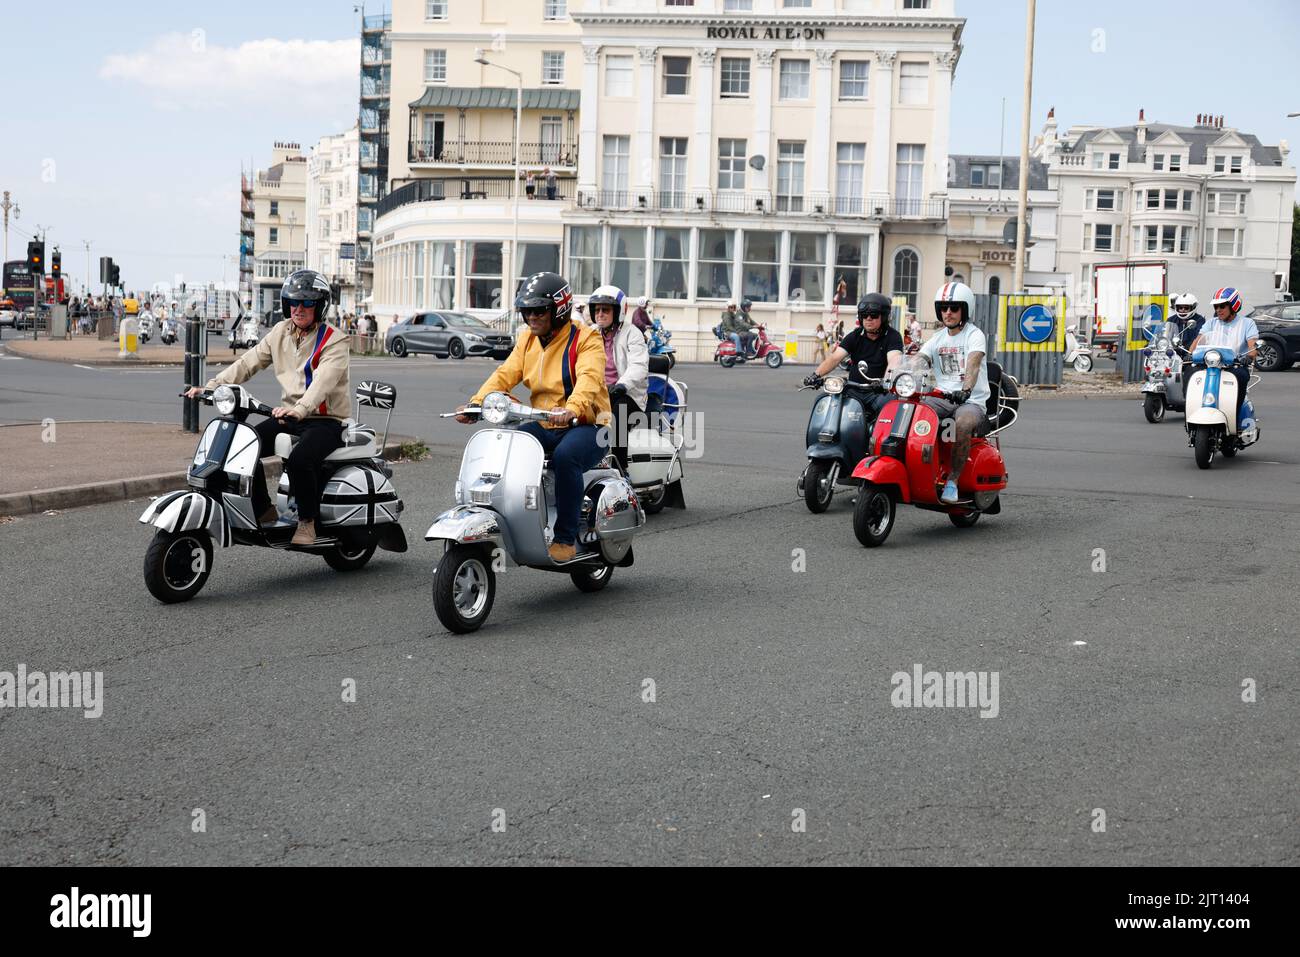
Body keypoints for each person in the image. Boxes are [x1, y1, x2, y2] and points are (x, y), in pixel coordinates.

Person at [185, 269, 349, 547]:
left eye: (307, 303)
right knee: (244, 447)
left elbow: (323, 382)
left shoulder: (334, 340)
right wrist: (211, 387)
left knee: (300, 460)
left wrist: (300, 408)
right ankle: (264, 510)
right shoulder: (280, 332)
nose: (299, 308)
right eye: (294, 302)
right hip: (290, 415)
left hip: (325, 420)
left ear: (319, 306)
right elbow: (248, 363)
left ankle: (307, 522)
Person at [456, 271, 610, 563]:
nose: (532, 317)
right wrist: (476, 404)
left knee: (566, 457)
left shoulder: (586, 339)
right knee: (507, 445)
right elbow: (505, 374)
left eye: (539, 310)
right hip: (545, 422)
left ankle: (565, 539)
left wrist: (573, 408)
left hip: (589, 424)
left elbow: (589, 379)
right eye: (526, 311)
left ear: (559, 308)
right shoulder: (527, 340)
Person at [915, 281, 991, 505]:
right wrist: (903, 374)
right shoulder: (937, 338)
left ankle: (953, 481)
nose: (948, 313)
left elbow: (974, 364)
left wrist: (966, 390)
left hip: (971, 401)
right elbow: (920, 359)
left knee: (963, 423)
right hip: (941, 398)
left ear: (964, 310)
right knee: (912, 413)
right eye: (944, 308)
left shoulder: (974, 335)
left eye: (954, 308)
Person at [803, 293, 904, 417]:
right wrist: (815, 375)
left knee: (890, 405)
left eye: (873, 315)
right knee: (823, 401)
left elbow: (894, 359)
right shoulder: (855, 336)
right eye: (864, 315)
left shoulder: (893, 337)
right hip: (853, 391)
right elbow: (835, 358)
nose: (868, 318)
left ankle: (882, 436)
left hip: (877, 393)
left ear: (883, 317)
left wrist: (886, 381)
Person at [587, 284, 649, 472]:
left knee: (617, 414)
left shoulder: (632, 333)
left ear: (619, 311)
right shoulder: (591, 333)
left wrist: (622, 385)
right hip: (599, 392)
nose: (600, 314)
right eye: (596, 310)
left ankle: (621, 470)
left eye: (605, 310)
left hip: (628, 395)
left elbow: (639, 365)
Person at [1188, 286, 1260, 427]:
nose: (1218, 310)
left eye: (1222, 306)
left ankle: (1235, 415)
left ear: (1233, 306)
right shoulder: (1211, 323)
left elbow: (1253, 348)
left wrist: (1249, 357)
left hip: (1235, 365)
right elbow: (1196, 344)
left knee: (1241, 376)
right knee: (1190, 373)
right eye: (1216, 306)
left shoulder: (1247, 323)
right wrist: (1189, 355)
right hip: (1210, 365)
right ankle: (1190, 414)